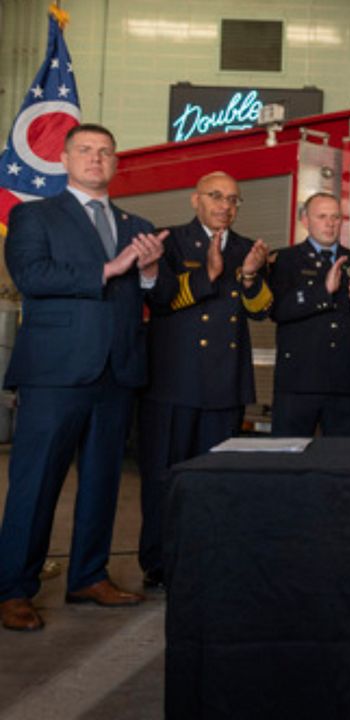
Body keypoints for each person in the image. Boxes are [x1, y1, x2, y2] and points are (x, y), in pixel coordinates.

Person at [0, 124, 171, 631]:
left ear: (116, 163)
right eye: (86, 150)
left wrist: (148, 273)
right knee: (36, 483)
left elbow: (157, 297)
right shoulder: (34, 215)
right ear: (65, 158)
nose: (96, 159)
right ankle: (13, 588)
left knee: (102, 482)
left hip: (116, 371)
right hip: (56, 371)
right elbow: (32, 277)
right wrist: (109, 269)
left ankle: (88, 576)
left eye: (105, 152)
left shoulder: (137, 224)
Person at [136, 171, 271, 590]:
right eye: (216, 196)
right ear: (195, 200)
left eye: (233, 199)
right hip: (174, 382)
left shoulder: (248, 249)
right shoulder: (170, 241)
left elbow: (260, 310)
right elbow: (159, 299)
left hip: (223, 383)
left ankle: (209, 560)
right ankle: (159, 563)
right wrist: (207, 275)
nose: (225, 206)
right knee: (165, 478)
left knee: (215, 480)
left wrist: (250, 277)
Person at [268, 192, 350, 436]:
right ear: (305, 220)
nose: (330, 223)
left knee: (342, 456)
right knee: (287, 455)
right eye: (322, 216)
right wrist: (323, 291)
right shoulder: (285, 260)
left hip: (347, 383)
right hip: (298, 382)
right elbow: (277, 310)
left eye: (335, 217)